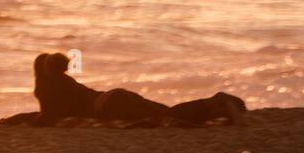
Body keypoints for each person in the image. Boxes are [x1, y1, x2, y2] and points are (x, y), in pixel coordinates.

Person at [31, 52, 245, 125]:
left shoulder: (48, 89)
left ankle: (215, 103)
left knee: (166, 116)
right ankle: (215, 105)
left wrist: (15, 121)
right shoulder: (66, 82)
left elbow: (46, 117)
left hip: (108, 108)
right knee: (165, 111)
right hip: (114, 95)